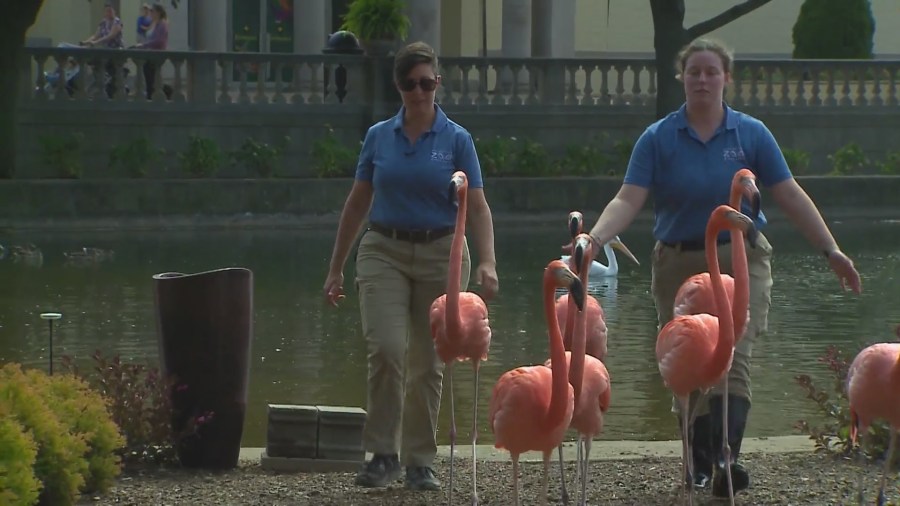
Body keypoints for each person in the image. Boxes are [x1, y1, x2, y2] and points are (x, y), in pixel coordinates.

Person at [565, 37, 862, 497]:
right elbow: (628, 197)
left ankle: (726, 459)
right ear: (682, 78)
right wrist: (594, 239)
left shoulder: (751, 134)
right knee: (688, 360)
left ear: (727, 78)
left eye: (711, 71)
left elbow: (788, 192)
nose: (702, 79)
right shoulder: (658, 138)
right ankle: (699, 460)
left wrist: (831, 250)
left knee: (733, 352)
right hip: (679, 260)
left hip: (739, 254)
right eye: (694, 72)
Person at [322, 41, 499, 492]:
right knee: (385, 348)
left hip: (442, 252)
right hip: (384, 248)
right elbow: (357, 202)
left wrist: (488, 261)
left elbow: (478, 206)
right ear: (397, 86)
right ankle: (383, 454)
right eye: (409, 84)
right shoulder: (379, 136)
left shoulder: (457, 139)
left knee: (429, 361)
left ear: (438, 83)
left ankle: (419, 460)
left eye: (426, 83)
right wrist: (336, 267)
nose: (418, 92)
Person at [132, 3, 170, 100]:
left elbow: (159, 41)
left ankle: (155, 97)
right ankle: (151, 96)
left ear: (158, 12)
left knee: (152, 79)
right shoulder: (155, 24)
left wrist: (144, 45)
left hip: (156, 56)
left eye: (152, 11)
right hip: (150, 54)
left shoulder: (162, 24)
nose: (150, 13)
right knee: (150, 78)